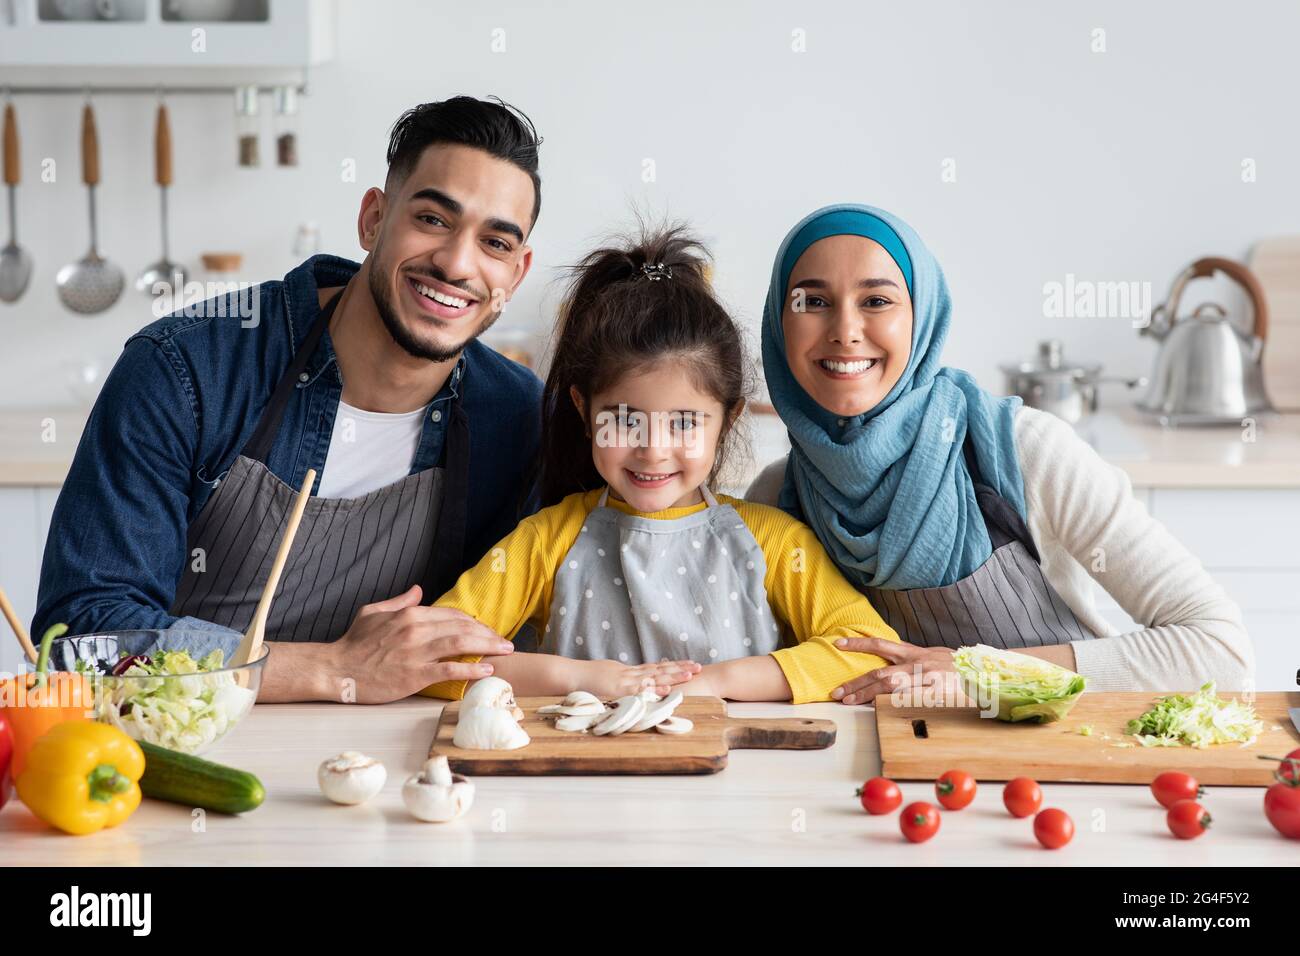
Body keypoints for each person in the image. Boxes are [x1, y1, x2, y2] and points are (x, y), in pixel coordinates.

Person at [33, 96, 548, 703]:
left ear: (516, 273)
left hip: (388, 767)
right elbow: (85, 641)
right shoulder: (185, 369)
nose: (457, 263)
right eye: (433, 219)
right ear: (373, 219)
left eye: (495, 244)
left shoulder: (518, 418)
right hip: (179, 752)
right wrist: (334, 669)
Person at [747, 203, 1253, 704]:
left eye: (877, 301)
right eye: (812, 303)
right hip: (892, 773)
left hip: (1064, 758)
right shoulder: (778, 499)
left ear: (922, 317)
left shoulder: (1024, 451)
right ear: (778, 324)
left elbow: (1221, 652)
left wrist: (982, 671)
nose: (845, 330)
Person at [422, 226, 900, 704]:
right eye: (625, 420)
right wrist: (582, 678)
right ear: (584, 412)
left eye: (685, 422)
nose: (652, 450)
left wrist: (714, 682)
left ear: (727, 421)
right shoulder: (545, 541)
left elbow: (872, 653)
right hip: (574, 777)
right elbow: (433, 660)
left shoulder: (773, 541)